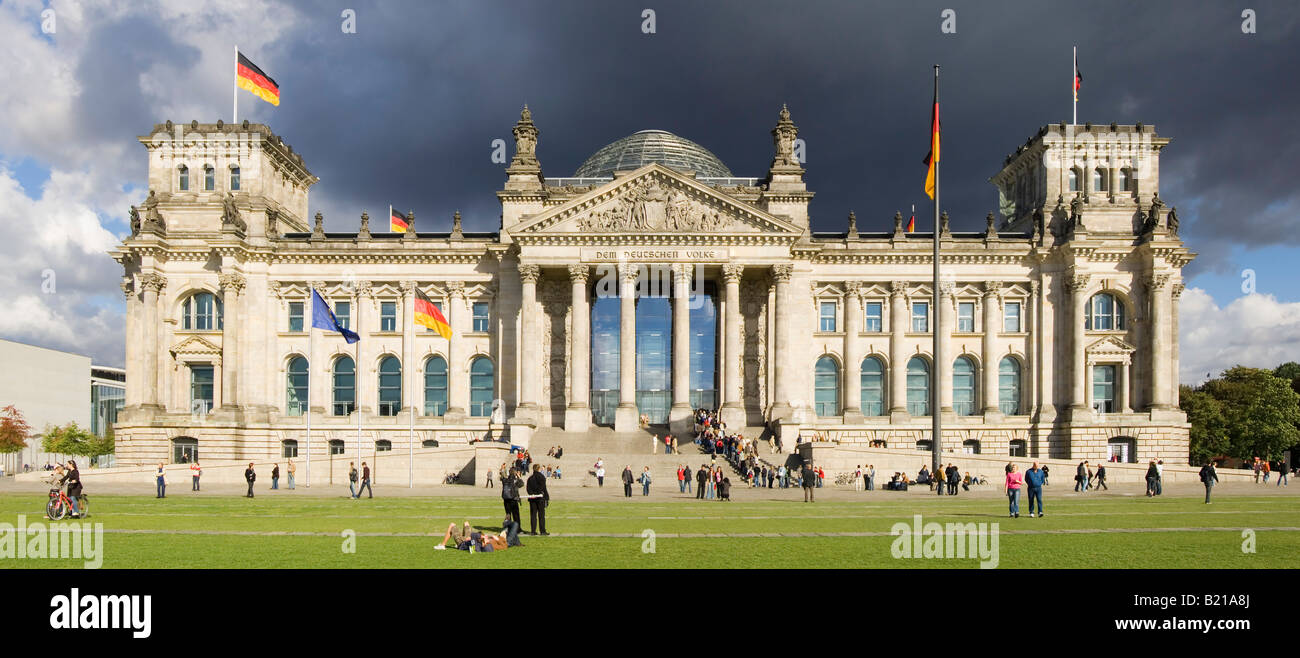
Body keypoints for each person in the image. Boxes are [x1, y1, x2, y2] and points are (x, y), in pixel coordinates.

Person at [526, 463, 549, 535]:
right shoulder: (542, 477)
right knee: (541, 515)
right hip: (540, 498)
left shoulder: (530, 478)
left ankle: (533, 531)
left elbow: (528, 488)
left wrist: (531, 494)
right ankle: (542, 531)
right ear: (539, 469)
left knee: (533, 515)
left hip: (532, 498)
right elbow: (543, 488)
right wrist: (546, 497)